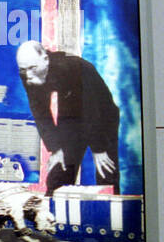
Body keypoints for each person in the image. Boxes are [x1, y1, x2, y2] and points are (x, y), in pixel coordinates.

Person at [15, 41, 119, 195]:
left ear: (45, 58)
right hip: (71, 115)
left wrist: (99, 148)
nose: (28, 75)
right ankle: (51, 214)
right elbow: (39, 112)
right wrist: (56, 148)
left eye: (32, 68)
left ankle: (111, 212)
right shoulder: (28, 72)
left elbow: (91, 108)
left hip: (101, 113)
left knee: (106, 170)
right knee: (59, 172)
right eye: (23, 70)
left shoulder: (72, 67)